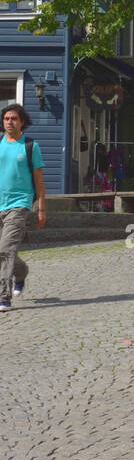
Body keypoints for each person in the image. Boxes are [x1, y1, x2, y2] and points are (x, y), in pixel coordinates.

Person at [0, 104, 46, 310]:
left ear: (22, 122)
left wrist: (41, 208)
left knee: (5, 249)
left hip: (19, 204)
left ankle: (3, 296)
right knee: (4, 251)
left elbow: (39, 181)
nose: (10, 122)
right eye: (6, 119)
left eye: (14, 119)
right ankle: (21, 272)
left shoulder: (29, 146)